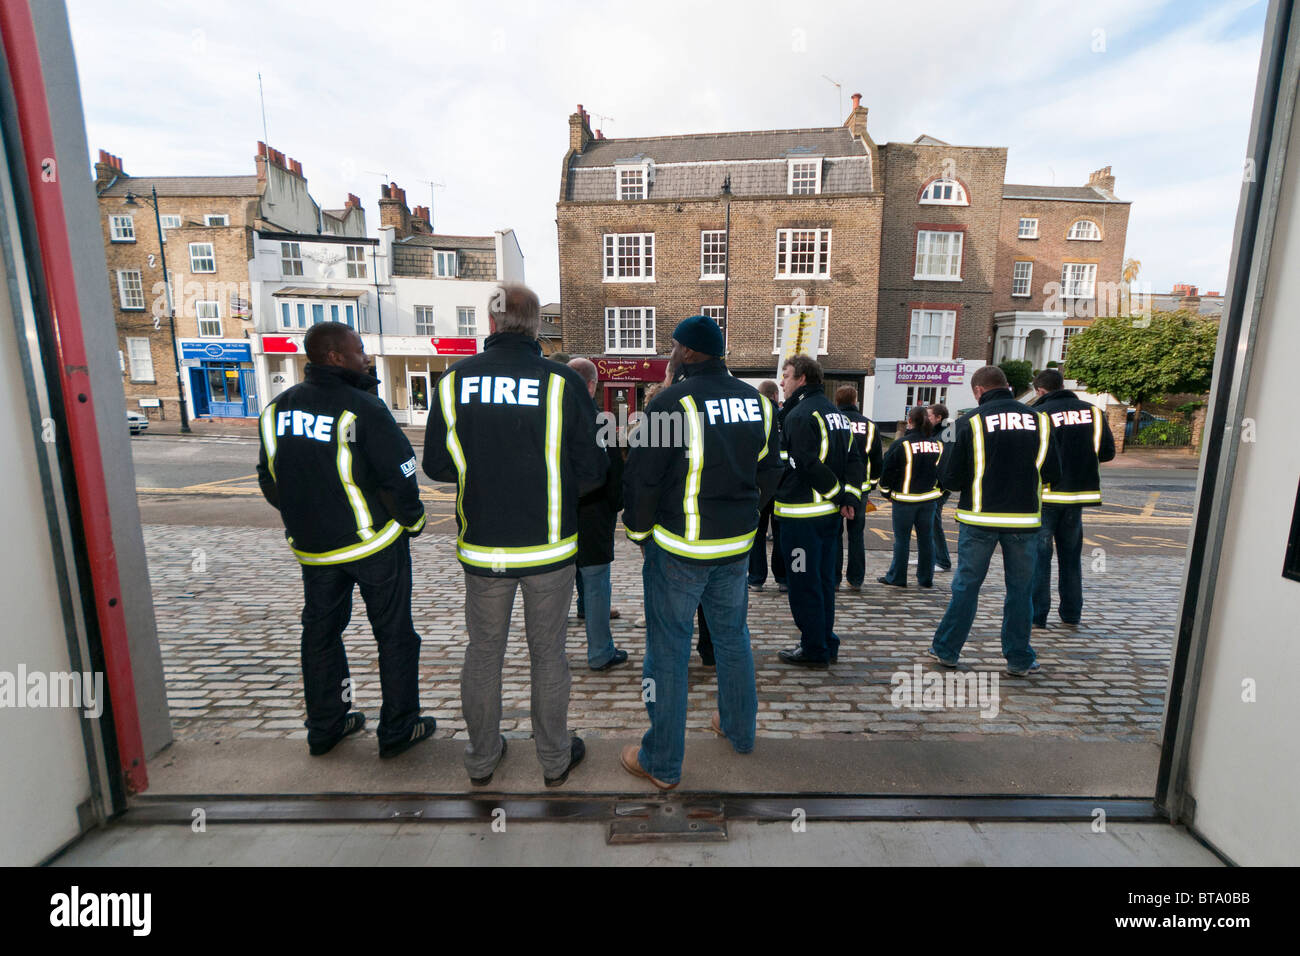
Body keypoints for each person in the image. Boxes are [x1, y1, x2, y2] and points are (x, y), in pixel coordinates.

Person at [422, 284, 608, 787]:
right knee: (548, 653)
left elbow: (437, 464)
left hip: (484, 547)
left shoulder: (453, 381)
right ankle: (553, 758)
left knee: (483, 652)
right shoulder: (561, 382)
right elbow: (594, 471)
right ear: (536, 326)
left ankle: (482, 758)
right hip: (549, 546)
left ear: (492, 323)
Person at [256, 322, 433, 759]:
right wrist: (410, 522)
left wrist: (305, 520)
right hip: (373, 545)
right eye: (358, 349)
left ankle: (326, 725)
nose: (365, 355)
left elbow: (269, 477)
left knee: (320, 634)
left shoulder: (277, 409)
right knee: (394, 636)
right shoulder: (363, 407)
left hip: (315, 550)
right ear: (334, 356)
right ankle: (398, 727)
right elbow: (400, 473)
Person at [621, 315, 782, 790]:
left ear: (689, 353)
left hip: (679, 547)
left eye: (674, 345)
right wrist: (747, 515)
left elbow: (642, 477)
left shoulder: (670, 402)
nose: (670, 351)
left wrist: (638, 530)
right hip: (735, 546)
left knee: (668, 650)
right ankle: (739, 730)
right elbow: (772, 471)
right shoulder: (758, 402)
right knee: (732, 638)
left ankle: (663, 762)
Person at [929, 365, 1060, 677]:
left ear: (978, 391)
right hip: (1024, 519)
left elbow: (949, 477)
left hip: (979, 517)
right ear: (1009, 387)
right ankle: (1018, 657)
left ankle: (947, 649)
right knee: (1020, 589)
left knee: (966, 586)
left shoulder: (967, 422)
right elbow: (1053, 472)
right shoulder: (1040, 420)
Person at [773, 355, 865, 669]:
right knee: (824, 580)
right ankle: (827, 640)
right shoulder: (838, 414)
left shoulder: (798, 415)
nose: (782, 382)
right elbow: (855, 461)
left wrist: (838, 496)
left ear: (801, 379)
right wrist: (848, 499)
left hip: (802, 516)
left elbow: (805, 464)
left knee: (803, 583)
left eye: (785, 375)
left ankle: (814, 646)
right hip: (828, 518)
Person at [1029, 368, 1116, 628]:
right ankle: (1071, 613)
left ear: (1041, 391)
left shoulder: (1040, 414)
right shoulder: (1094, 413)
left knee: (1040, 560)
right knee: (1071, 559)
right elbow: (1107, 452)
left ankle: (1038, 616)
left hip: (1046, 496)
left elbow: (1032, 455)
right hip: (1078, 495)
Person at [568, 357, 629, 670]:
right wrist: (614, 507)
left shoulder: (549, 420)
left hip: (555, 520)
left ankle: (550, 656)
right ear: (593, 385)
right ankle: (600, 652)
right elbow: (615, 478)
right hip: (594, 518)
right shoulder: (604, 425)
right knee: (595, 586)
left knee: (554, 588)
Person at [876, 406, 943, 589]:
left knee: (902, 540)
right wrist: (939, 491)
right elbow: (943, 473)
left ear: (910, 421)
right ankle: (926, 578)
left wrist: (885, 492)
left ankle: (897, 577)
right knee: (926, 539)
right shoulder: (937, 444)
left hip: (904, 500)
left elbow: (887, 471)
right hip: (929, 500)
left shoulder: (901, 444)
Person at [833, 385, 883, 589]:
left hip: (835, 489)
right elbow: (877, 461)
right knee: (856, 536)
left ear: (836, 402)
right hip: (860, 489)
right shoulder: (870, 426)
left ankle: (833, 579)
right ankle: (856, 579)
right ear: (855, 401)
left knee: (834, 536)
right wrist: (870, 485)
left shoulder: (833, 423)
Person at [748, 380, 787, 594]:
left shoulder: (755, 416)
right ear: (774, 396)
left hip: (760, 482)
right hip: (783, 483)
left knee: (758, 532)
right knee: (780, 532)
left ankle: (756, 578)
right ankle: (783, 578)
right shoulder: (786, 415)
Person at [926, 403, 954, 571]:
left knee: (933, 520)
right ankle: (930, 556)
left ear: (938, 418)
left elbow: (948, 461)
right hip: (935, 483)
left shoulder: (948, 433)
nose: (926, 419)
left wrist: (942, 485)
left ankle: (942, 561)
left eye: (929, 416)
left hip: (940, 485)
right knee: (927, 521)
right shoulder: (938, 432)